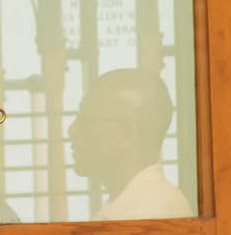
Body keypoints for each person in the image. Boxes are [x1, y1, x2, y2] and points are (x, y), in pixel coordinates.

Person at [67, 68, 194, 221]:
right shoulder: (129, 204)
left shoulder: (149, 212)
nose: (72, 130)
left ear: (129, 134)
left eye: (88, 120)